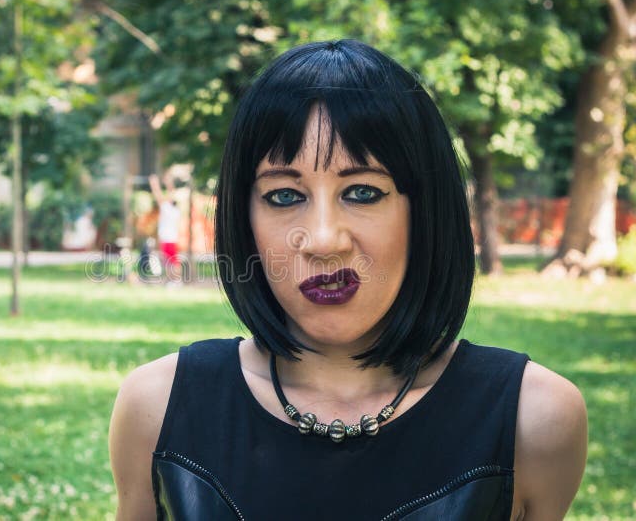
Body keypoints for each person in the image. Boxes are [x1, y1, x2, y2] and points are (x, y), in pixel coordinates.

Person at [110, 40, 587, 520]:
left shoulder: (536, 417)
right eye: (282, 195)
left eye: (362, 192)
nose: (322, 240)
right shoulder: (157, 406)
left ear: (424, 211)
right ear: (243, 216)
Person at [149, 172, 182, 284]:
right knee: (169, 261)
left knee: (172, 261)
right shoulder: (174, 210)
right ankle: (173, 281)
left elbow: (159, 195)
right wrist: (168, 183)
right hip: (169, 238)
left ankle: (176, 281)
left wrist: (154, 184)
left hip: (169, 239)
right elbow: (169, 193)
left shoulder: (167, 209)